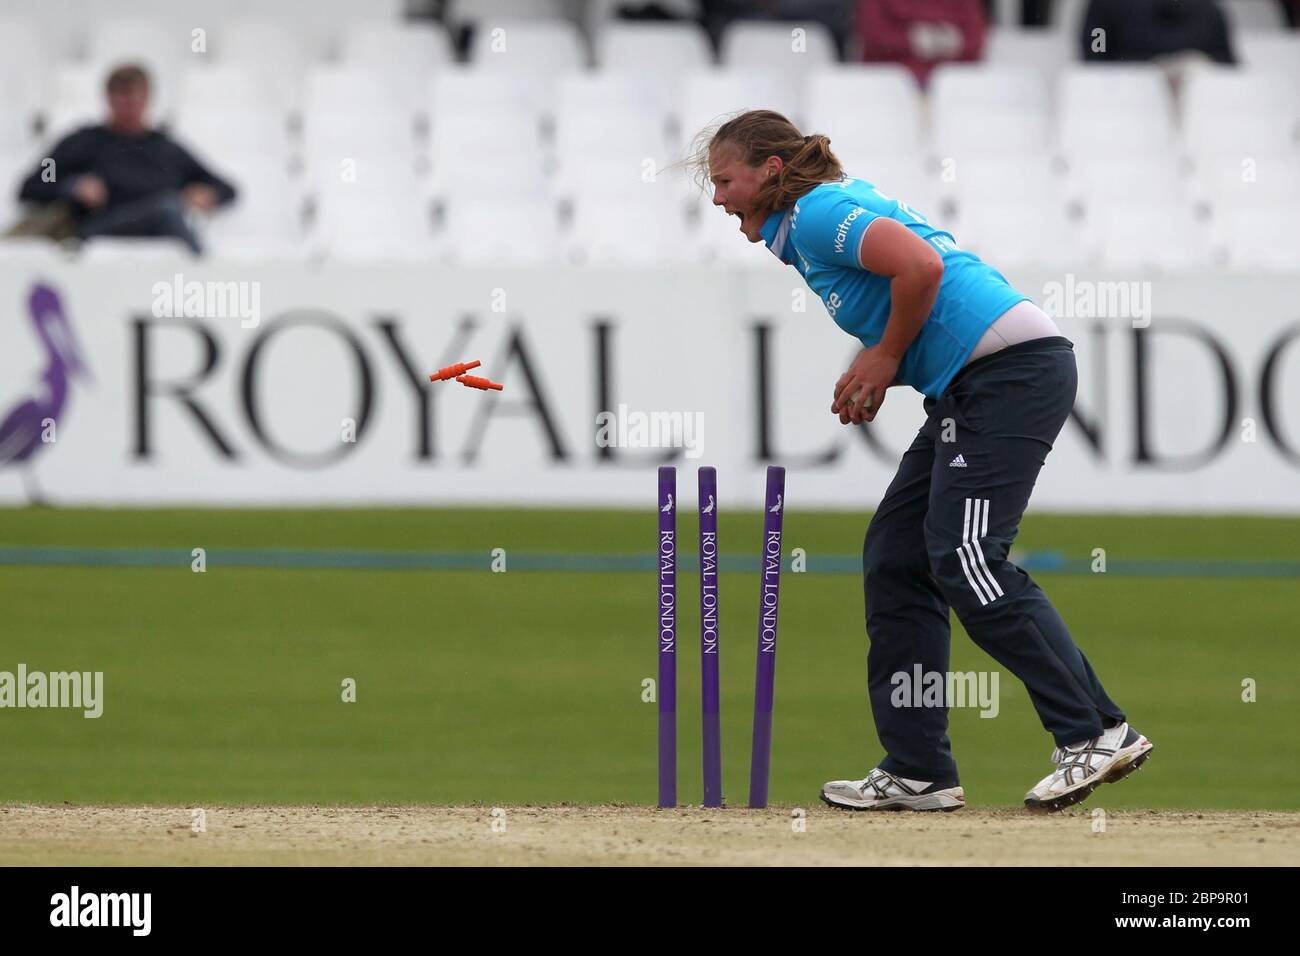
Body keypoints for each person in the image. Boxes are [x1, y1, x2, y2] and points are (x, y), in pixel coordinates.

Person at [697, 110, 1153, 812]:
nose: (718, 197)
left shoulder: (819, 212)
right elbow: (908, 290)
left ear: (771, 172)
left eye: (725, 180)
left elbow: (921, 265)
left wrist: (881, 357)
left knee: (968, 555)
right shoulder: (805, 228)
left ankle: (1097, 731)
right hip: (975, 383)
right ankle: (918, 770)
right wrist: (882, 363)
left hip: (1011, 372)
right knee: (897, 558)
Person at [17, 64, 236, 254]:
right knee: (168, 209)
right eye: (121, 99)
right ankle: (203, 278)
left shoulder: (167, 148)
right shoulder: (81, 142)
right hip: (97, 226)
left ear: (147, 99)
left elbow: (226, 187)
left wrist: (208, 194)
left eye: (134, 99)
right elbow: (33, 185)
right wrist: (73, 186)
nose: (128, 107)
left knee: (169, 208)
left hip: (158, 228)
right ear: (108, 99)